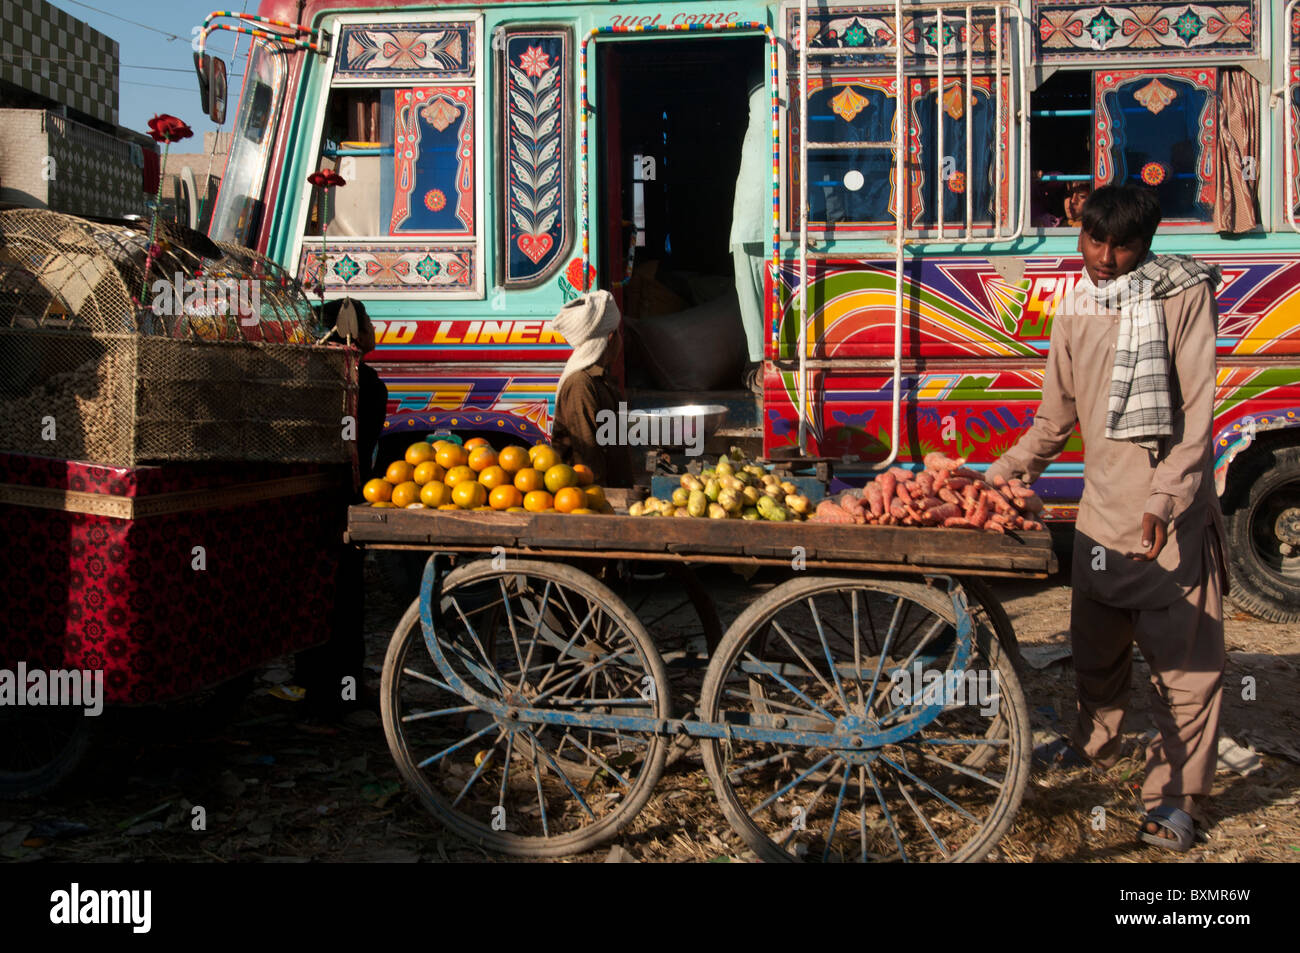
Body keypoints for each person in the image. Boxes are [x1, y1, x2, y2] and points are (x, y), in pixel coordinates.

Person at [984, 184, 1225, 852]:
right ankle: (1095, 744)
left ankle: (1176, 799)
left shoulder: (1183, 296)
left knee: (1186, 670)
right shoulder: (1076, 306)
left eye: (1124, 245)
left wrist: (1166, 497)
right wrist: (1000, 477)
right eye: (1096, 240)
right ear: (1080, 235)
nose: (1108, 257)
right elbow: (1054, 417)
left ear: (1147, 244)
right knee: (1096, 654)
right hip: (1099, 514)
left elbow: (1199, 412)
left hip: (1164, 515)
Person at [550, 290, 632, 486]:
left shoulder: (600, 378)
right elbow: (587, 457)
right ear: (611, 338)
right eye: (619, 332)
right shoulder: (581, 384)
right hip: (592, 497)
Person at [731, 78, 769, 394]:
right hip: (754, 219)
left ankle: (760, 362)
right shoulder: (765, 110)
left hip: (752, 219)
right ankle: (760, 362)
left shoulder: (761, 113)